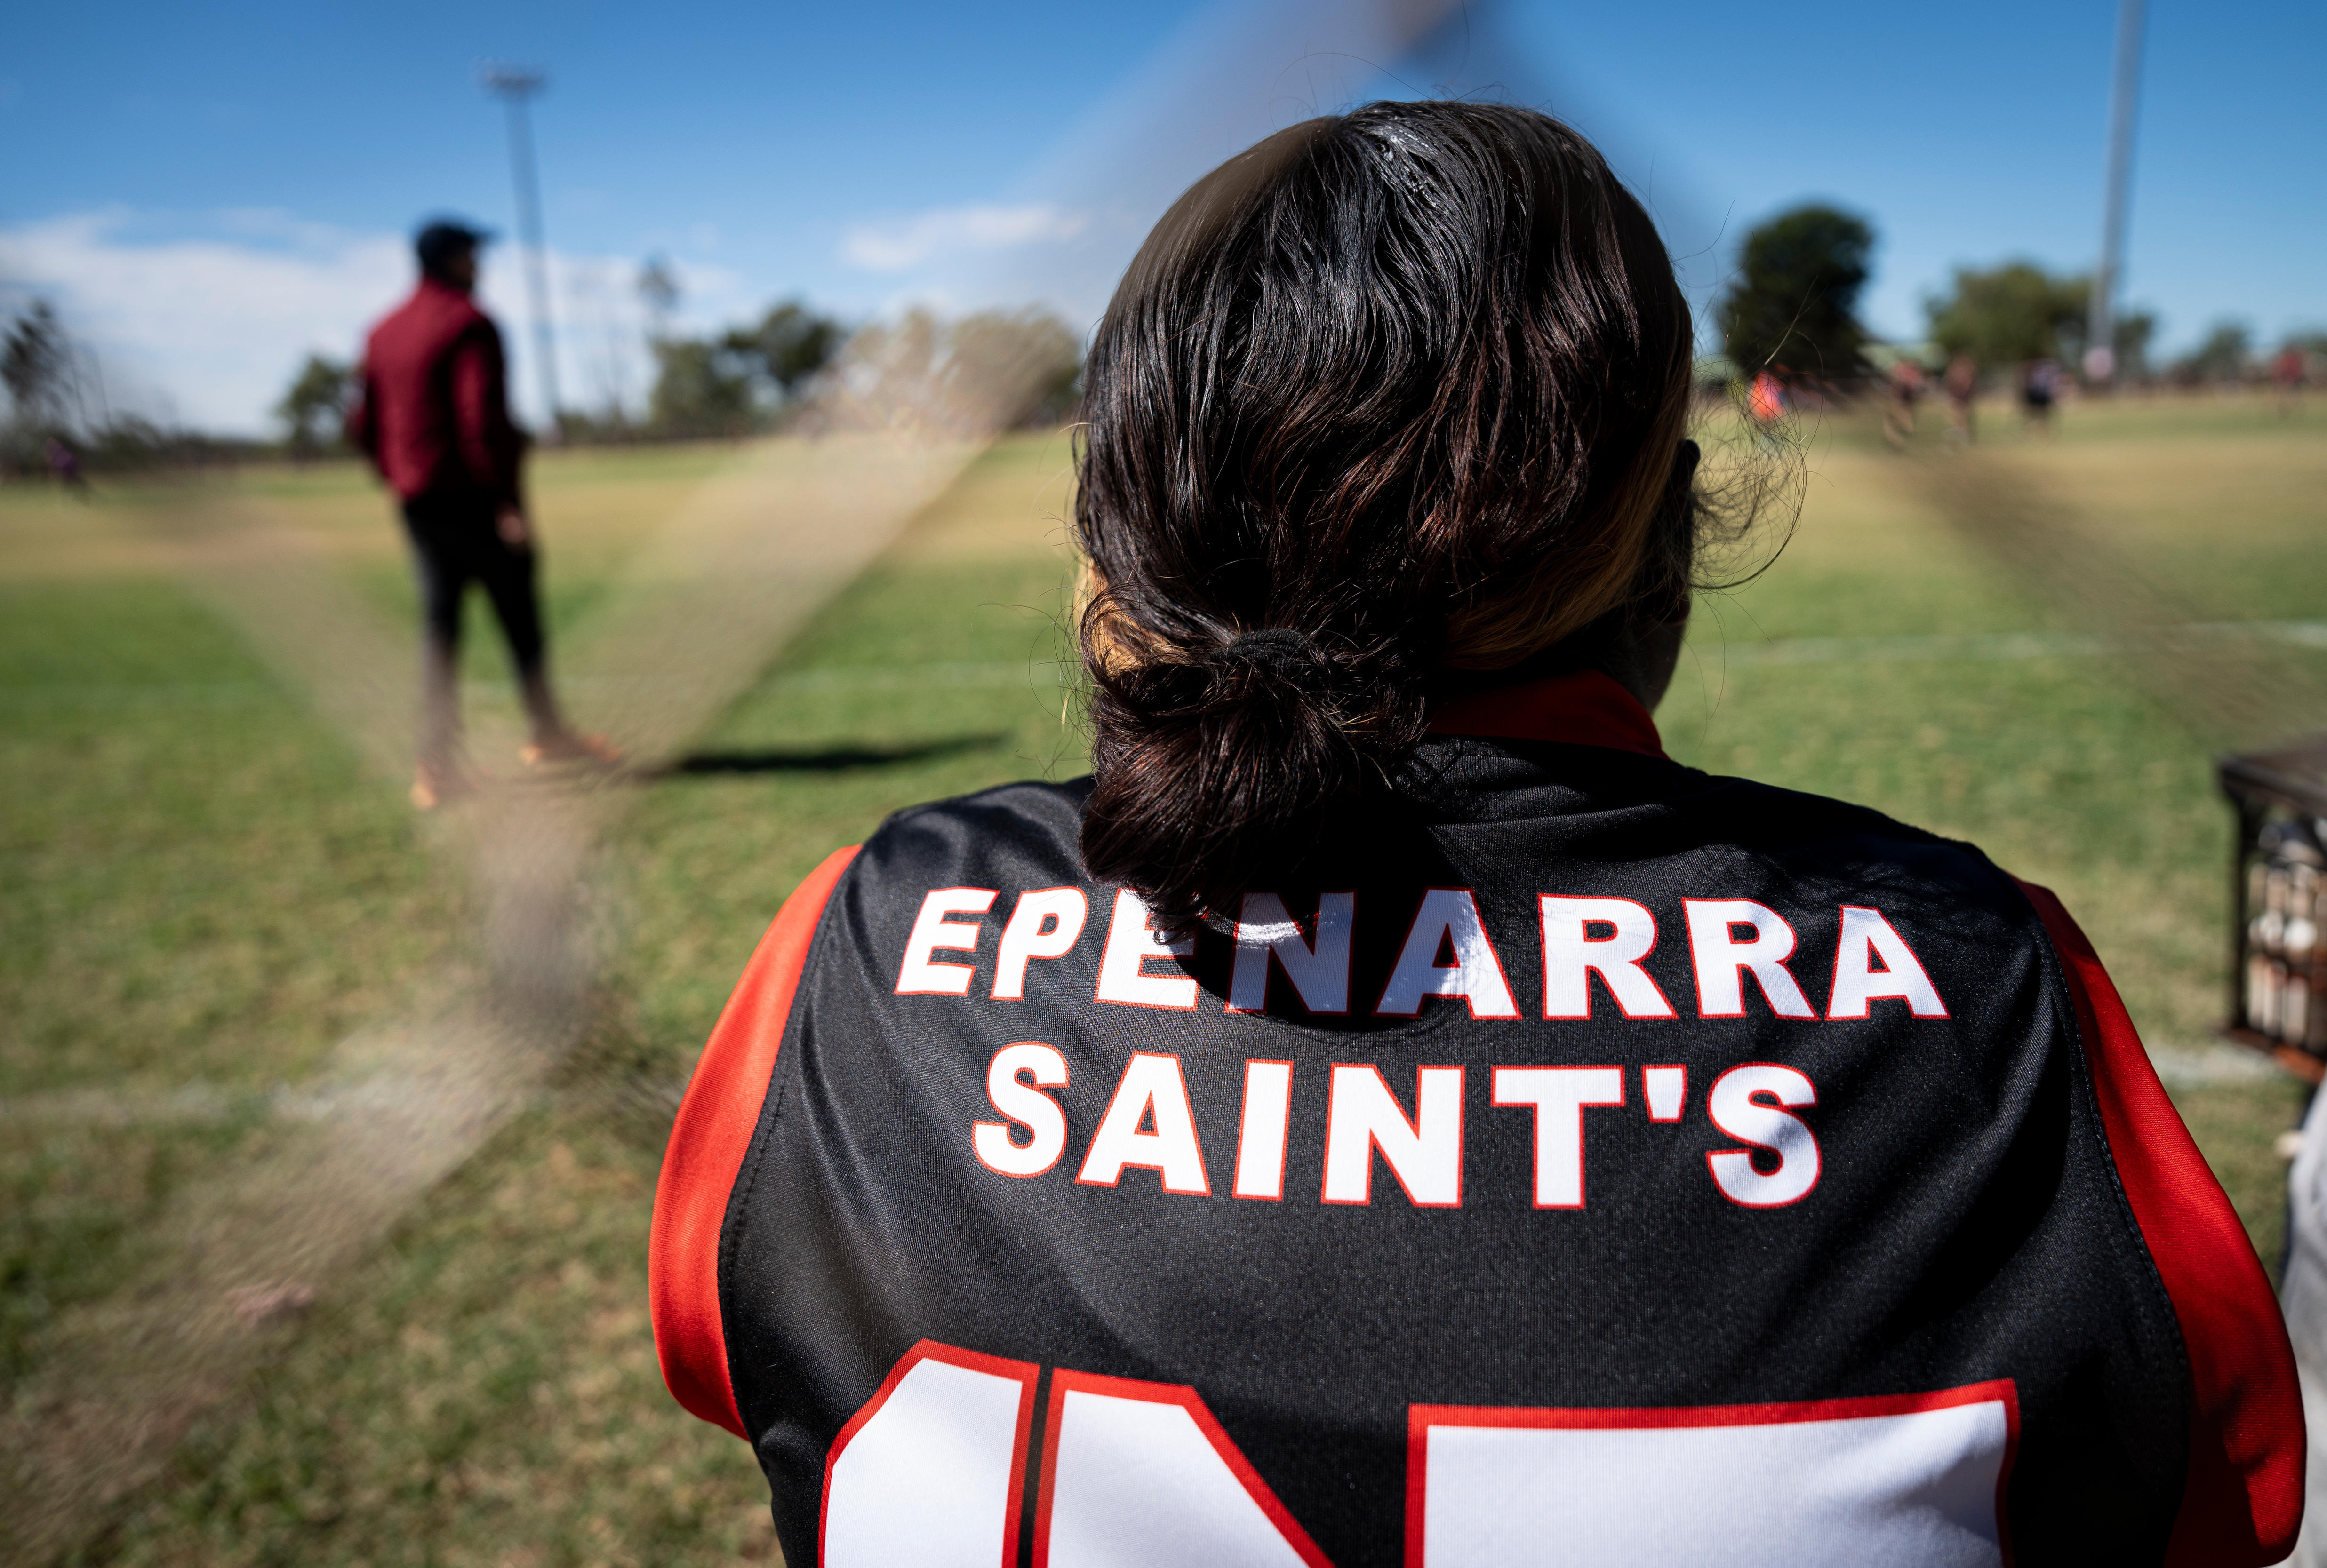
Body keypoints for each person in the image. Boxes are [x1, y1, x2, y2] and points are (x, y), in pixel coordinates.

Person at [650, 103, 2301, 1565]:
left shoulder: (870, 936)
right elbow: (2208, 1497)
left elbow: (740, 1356)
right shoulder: (1977, 982)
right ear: (1666, 533)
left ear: (1117, 515)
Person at [348, 218, 612, 809]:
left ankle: (436, 767)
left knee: (441, 630)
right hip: (473, 497)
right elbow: (480, 424)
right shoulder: (468, 322)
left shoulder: (383, 330)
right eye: (472, 254)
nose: (480, 264)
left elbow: (362, 422)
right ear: (450, 259)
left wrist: (394, 475)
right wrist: (507, 505)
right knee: (520, 621)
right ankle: (545, 734)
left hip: (418, 503)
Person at [1944, 351, 1979, 442]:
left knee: (1963, 412)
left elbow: (1967, 383)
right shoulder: (1960, 370)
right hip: (1959, 393)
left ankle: (1963, 432)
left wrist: (1964, 391)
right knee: (1956, 412)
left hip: (1963, 393)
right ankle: (1958, 430)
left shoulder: (1965, 371)